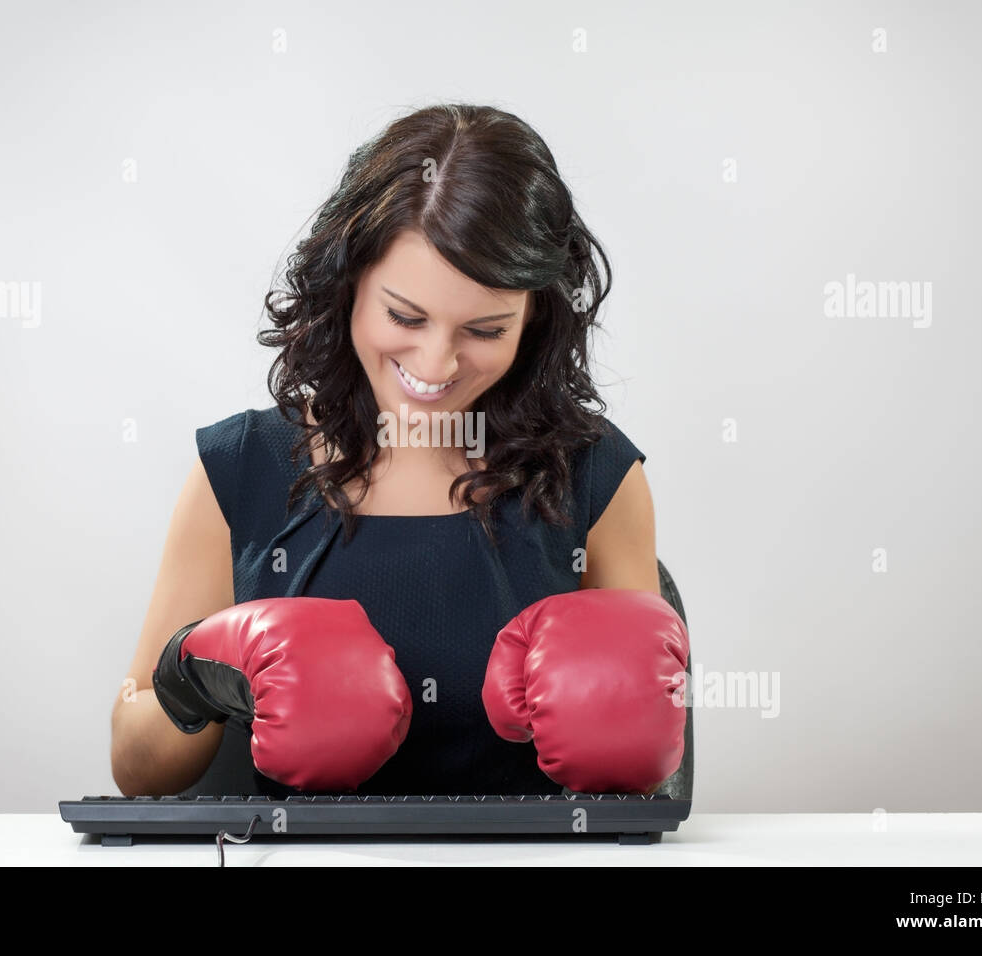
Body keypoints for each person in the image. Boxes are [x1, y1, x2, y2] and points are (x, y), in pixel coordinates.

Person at [110, 103, 674, 799]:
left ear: (536, 319)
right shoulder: (242, 465)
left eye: (485, 329)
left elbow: (638, 770)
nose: (436, 364)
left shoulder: (594, 474)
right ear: (348, 283)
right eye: (404, 316)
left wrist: (615, 718)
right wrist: (191, 675)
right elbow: (135, 771)